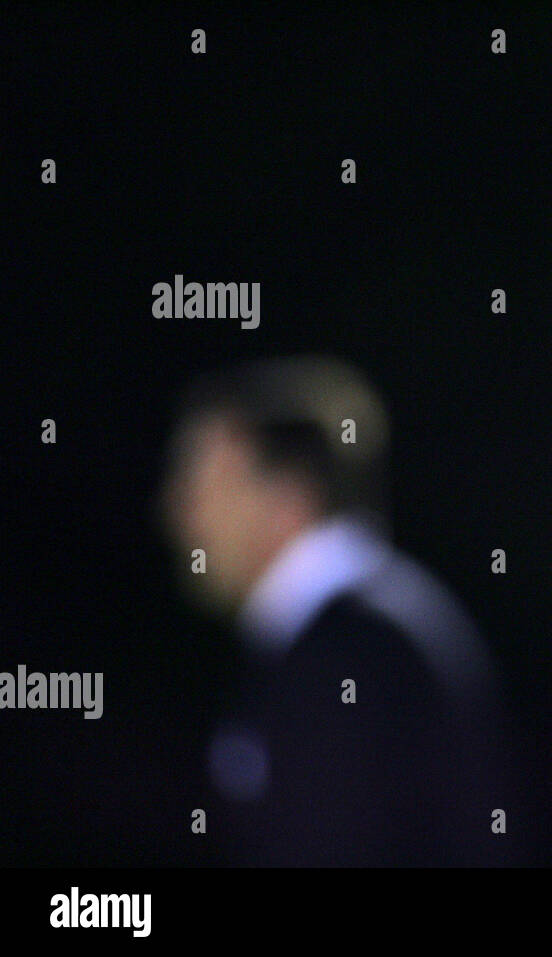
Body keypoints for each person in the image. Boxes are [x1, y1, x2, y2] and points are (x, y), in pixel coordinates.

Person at [159, 355, 513, 865]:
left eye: (202, 483)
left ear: (285, 497)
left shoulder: (350, 655)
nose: (179, 513)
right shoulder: (376, 626)